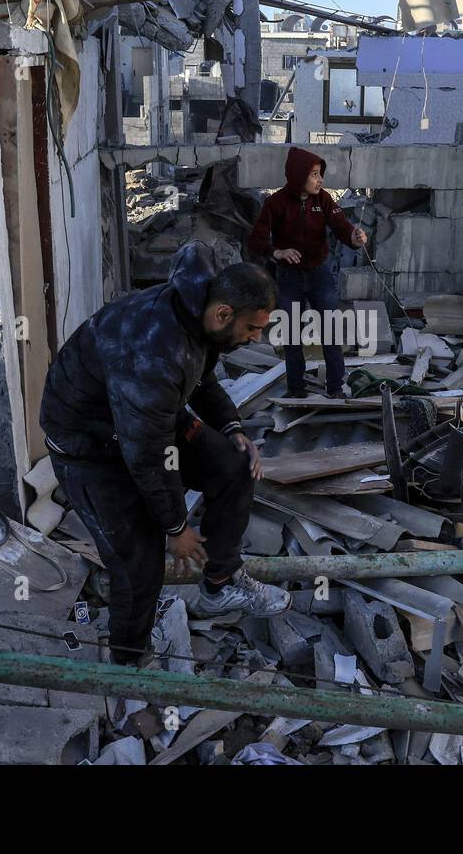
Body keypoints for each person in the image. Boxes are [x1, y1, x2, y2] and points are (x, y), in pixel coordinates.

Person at [40, 242, 289, 666]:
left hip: (142, 420)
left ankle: (221, 581)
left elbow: (202, 376)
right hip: (90, 447)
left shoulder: (200, 314)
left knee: (233, 466)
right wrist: (176, 528)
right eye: (253, 329)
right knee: (139, 567)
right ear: (224, 314)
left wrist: (231, 428)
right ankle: (128, 662)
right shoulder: (153, 354)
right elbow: (150, 459)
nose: (257, 338)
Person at [247, 147, 367, 398]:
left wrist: (355, 239)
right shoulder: (275, 203)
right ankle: (296, 389)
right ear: (298, 175)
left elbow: (342, 227)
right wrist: (276, 252)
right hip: (289, 278)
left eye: (319, 173)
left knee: (331, 332)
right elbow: (255, 241)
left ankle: (335, 388)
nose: (320, 180)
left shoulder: (323, 200)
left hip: (319, 275)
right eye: (314, 174)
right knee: (291, 336)